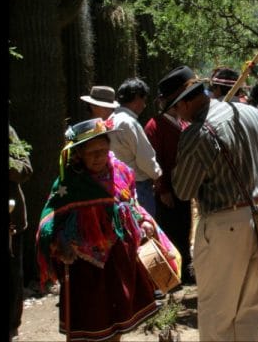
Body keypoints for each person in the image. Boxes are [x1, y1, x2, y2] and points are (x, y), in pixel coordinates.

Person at [166, 65, 258, 341]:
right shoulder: (250, 113)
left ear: (185, 102)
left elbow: (183, 190)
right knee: (253, 309)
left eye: (175, 108)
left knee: (217, 312)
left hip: (222, 226)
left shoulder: (197, 133)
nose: (177, 114)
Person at [36, 118, 181, 342]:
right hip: (84, 267)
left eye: (103, 150)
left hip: (118, 259)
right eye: (92, 152)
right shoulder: (70, 184)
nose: (99, 157)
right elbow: (49, 221)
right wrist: (61, 242)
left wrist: (143, 221)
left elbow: (132, 203)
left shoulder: (121, 171)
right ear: (78, 154)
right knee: (87, 326)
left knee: (117, 321)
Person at [144, 77, 193, 283]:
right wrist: (163, 189)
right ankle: (173, 272)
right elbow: (155, 160)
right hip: (168, 188)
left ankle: (186, 268)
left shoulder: (182, 123)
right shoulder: (154, 126)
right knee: (170, 229)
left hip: (185, 185)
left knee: (185, 227)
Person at [110, 78, 163, 217]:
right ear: (136, 98)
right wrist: (157, 175)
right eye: (144, 100)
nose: (144, 105)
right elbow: (145, 158)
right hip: (137, 187)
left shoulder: (111, 119)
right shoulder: (129, 123)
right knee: (145, 230)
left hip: (115, 185)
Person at [9, 124, 32, 342]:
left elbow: (25, 169)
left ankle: (12, 327)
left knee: (12, 273)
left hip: (11, 216)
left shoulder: (9, 132)